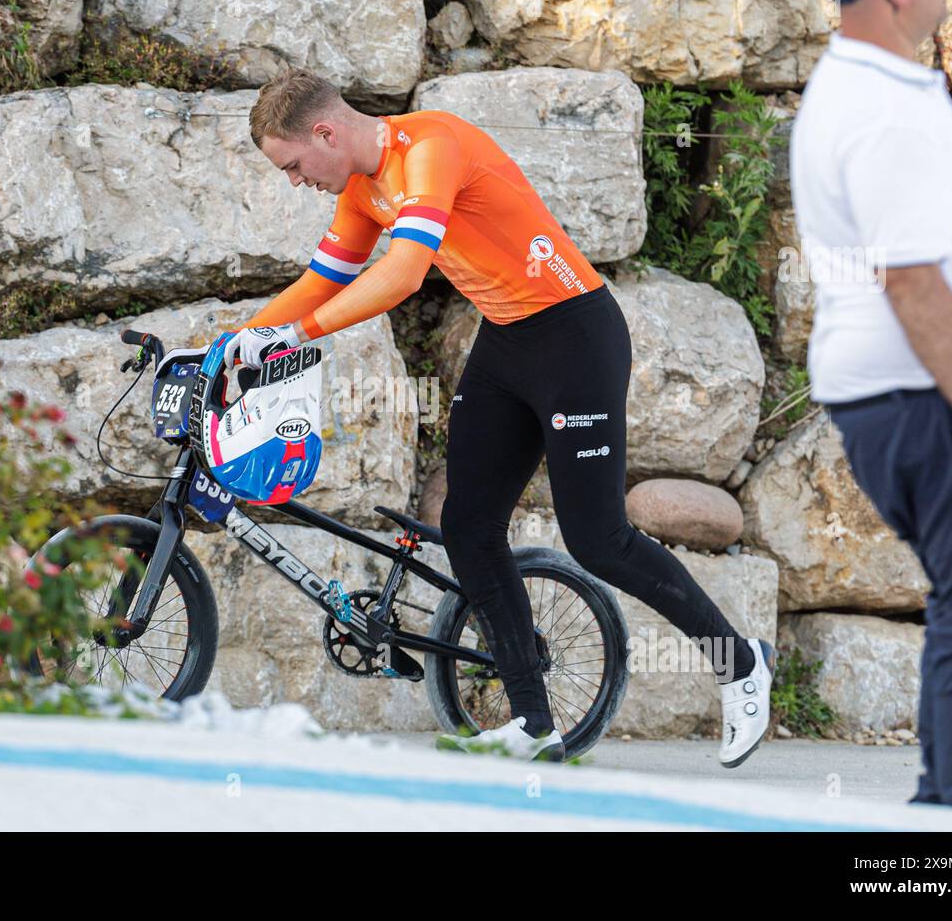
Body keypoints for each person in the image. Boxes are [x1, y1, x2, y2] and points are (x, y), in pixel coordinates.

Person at [230, 68, 775, 764]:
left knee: (599, 538)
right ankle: (533, 721)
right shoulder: (363, 192)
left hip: (574, 335)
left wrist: (294, 338)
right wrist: (226, 345)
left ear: (325, 132)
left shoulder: (429, 146)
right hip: (507, 338)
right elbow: (322, 281)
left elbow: (399, 275)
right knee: (468, 525)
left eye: (294, 165)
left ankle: (740, 662)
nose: (296, 180)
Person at [794, 0, 952, 810]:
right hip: (941, 403)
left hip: (924, 398)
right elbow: (913, 282)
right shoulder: (882, 111)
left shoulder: (883, 87)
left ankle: (949, 814)